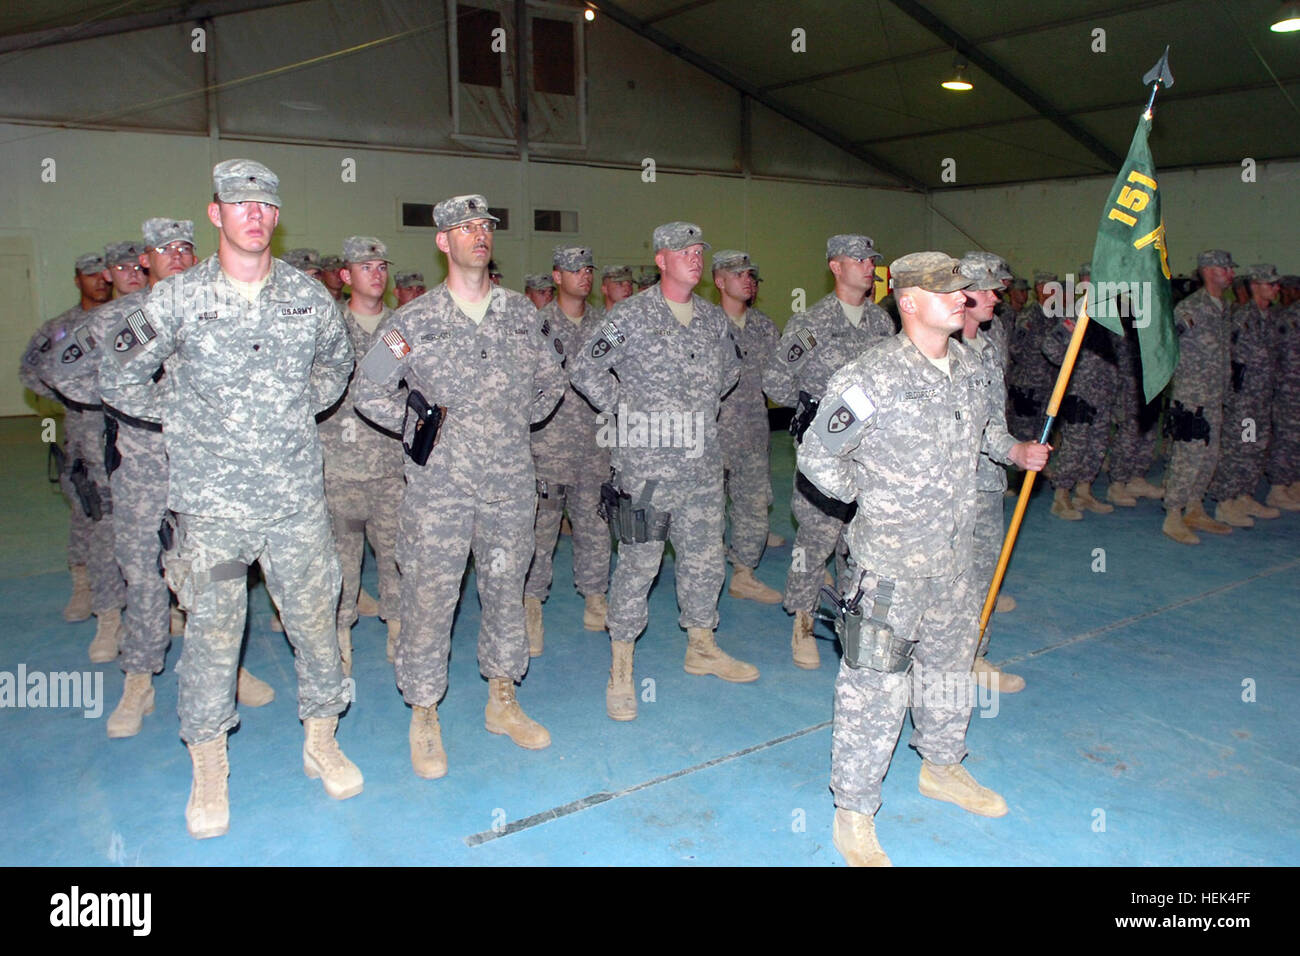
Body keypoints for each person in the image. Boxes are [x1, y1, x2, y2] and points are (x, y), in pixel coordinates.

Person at [99, 159, 361, 839]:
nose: (254, 214)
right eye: (239, 203)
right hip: (213, 513)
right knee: (214, 635)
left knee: (315, 622)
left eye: (266, 205)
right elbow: (118, 372)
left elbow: (338, 365)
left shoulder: (307, 297)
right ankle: (209, 763)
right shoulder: (179, 298)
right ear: (216, 213)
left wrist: (297, 406)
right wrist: (179, 415)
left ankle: (322, 737)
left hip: (295, 504)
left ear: (276, 217)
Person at [798, 252, 1050, 866]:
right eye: (948, 291)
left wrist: (1014, 451)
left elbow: (986, 432)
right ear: (908, 301)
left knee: (948, 668)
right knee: (873, 688)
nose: (962, 298)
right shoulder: (871, 376)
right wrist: (871, 500)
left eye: (965, 289)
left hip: (955, 558)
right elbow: (816, 453)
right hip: (890, 565)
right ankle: (853, 811)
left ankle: (941, 765)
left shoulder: (967, 364)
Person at [352, 194, 567, 779]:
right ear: (443, 241)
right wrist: (420, 428)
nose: (478, 234)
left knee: (505, 590)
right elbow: (369, 388)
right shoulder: (413, 320)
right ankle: (425, 713)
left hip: (509, 485)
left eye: (485, 226)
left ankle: (503, 699)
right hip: (439, 491)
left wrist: (510, 424)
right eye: (464, 228)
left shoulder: (524, 314)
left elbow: (553, 383)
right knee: (429, 597)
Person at [89, 219, 276, 736]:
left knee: (217, 574)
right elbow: (82, 374)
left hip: (206, 472)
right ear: (144, 258)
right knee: (145, 576)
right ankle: (139, 678)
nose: (176, 255)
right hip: (145, 473)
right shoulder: (124, 318)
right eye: (163, 249)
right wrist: (160, 410)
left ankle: (226, 670)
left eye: (185, 247)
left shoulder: (216, 308)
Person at [570, 221, 752, 722]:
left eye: (699, 250)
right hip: (645, 471)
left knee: (704, 556)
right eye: (683, 251)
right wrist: (624, 410)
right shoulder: (630, 316)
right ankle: (622, 667)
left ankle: (701, 645)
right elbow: (585, 369)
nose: (695, 258)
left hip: (701, 466)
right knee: (638, 564)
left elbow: (729, 375)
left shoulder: (715, 321)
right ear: (661, 260)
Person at [763, 235, 892, 670]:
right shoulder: (811, 322)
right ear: (836, 266)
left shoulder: (882, 323)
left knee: (860, 540)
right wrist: (811, 416)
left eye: (871, 259)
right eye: (858, 259)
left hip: (871, 450)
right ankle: (802, 621)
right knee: (817, 536)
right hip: (828, 449)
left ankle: (850, 619)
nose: (868, 265)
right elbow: (776, 380)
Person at [19, 253, 118, 638]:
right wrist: (70, 400)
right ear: (77, 280)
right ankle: (83, 584)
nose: (99, 281)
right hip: (84, 434)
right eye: (90, 275)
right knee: (87, 512)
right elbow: (30, 369)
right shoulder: (60, 327)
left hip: (126, 437)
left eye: (103, 274)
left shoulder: (125, 319)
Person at [318, 237, 405, 675]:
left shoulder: (401, 328)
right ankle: (340, 635)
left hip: (393, 471)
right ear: (345, 276)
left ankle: (397, 627)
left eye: (381, 265)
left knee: (395, 554)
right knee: (342, 560)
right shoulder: (327, 326)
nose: (376, 273)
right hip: (341, 472)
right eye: (365, 266)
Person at [523, 245, 611, 656]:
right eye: (575, 270)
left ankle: (595, 598)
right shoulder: (535, 325)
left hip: (594, 448)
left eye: (589, 269)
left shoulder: (605, 324)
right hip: (548, 448)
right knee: (540, 531)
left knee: (594, 527)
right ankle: (531, 603)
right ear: (557, 277)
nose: (584, 276)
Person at [957, 253, 1028, 692]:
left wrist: (1013, 451)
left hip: (986, 482)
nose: (994, 298)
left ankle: (974, 655)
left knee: (982, 573)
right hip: (944, 488)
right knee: (942, 579)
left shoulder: (988, 343)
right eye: (983, 289)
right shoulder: (935, 350)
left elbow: (991, 421)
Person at [711, 250, 782, 605]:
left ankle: (743, 573)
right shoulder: (703, 325)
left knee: (753, 506)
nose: (748, 280)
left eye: (751, 274)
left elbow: (780, 380)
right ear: (719, 281)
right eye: (739, 274)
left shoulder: (765, 327)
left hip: (753, 434)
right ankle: (705, 578)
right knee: (706, 509)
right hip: (710, 435)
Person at [1162, 251, 1237, 544]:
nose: (1230, 273)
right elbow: (1166, 347)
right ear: (1207, 270)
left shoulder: (1223, 307)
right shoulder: (1190, 309)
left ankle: (1195, 507)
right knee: (1188, 457)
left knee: (1210, 455)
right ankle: (1173, 514)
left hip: (1215, 395)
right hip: (1191, 397)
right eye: (1224, 268)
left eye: (1231, 268)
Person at [1208, 265, 1284, 526]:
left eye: (1276, 285)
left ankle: (1244, 496)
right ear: (1255, 287)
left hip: (1263, 399)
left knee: (1256, 448)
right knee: (1238, 448)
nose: (1276, 289)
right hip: (1244, 401)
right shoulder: (1241, 319)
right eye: (1270, 284)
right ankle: (1226, 501)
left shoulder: (1272, 319)